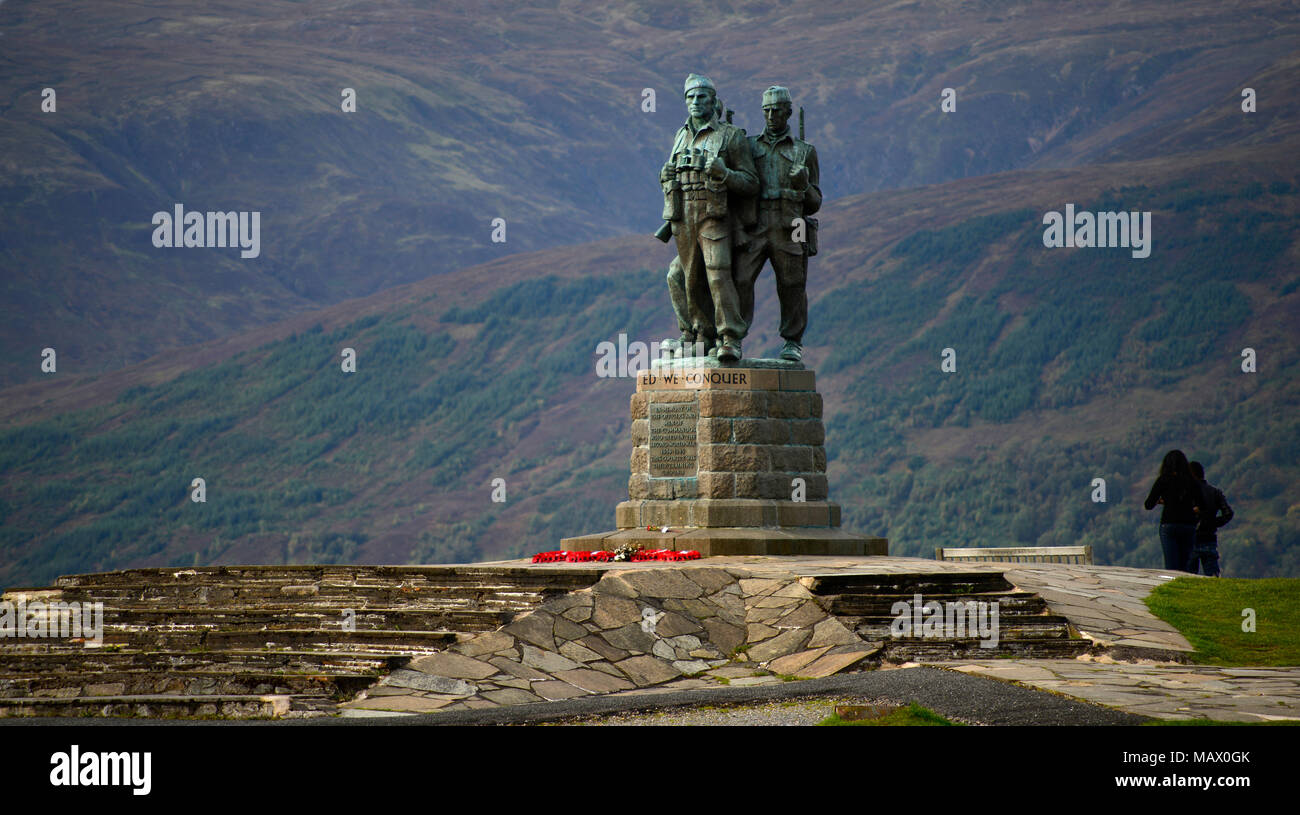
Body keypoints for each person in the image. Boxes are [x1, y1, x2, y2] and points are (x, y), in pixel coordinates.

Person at [659, 74, 758, 363]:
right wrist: (665, 177)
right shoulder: (681, 135)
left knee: (717, 271)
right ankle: (698, 334)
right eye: (689, 97)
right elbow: (673, 171)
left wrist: (722, 172)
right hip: (683, 214)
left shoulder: (730, 136)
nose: (695, 102)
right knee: (680, 275)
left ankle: (729, 337)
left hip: (713, 212)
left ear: (713, 101)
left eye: (701, 97)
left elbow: (751, 182)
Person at [734, 85, 821, 362]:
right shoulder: (748, 146)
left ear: (788, 112)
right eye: (767, 110)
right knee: (741, 279)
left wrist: (803, 183)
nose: (771, 115)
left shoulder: (804, 152)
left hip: (791, 225)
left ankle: (792, 341)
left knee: (792, 282)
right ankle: (734, 337)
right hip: (756, 221)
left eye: (777, 110)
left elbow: (815, 201)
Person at [1144, 449, 1213, 572]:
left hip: (1169, 524)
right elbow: (1203, 506)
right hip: (1188, 525)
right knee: (1185, 565)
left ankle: (1173, 585)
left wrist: (1162, 501)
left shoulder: (1163, 480)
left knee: (1172, 567)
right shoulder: (1192, 482)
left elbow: (1148, 504)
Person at [1188, 460, 1233, 577]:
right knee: (1212, 578)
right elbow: (1228, 514)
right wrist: (1213, 522)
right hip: (1209, 539)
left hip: (1190, 539)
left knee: (1187, 578)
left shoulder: (1187, 492)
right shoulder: (1215, 492)